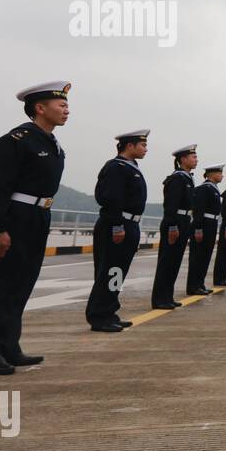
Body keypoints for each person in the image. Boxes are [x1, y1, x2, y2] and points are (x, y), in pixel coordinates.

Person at [0, 81, 71, 374]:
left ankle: (9, 347)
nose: (67, 109)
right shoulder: (15, 141)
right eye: (60, 104)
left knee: (21, 285)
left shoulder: (51, 143)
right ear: (40, 108)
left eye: (67, 105)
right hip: (14, 217)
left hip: (39, 217)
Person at [86, 128, 148, 332]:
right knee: (108, 271)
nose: (146, 149)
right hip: (117, 223)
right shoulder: (116, 167)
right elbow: (111, 199)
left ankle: (110, 311)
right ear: (129, 146)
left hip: (130, 224)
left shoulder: (131, 167)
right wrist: (117, 226)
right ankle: (99, 315)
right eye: (143, 145)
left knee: (117, 272)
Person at [151, 145, 197, 309]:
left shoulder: (186, 178)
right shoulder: (177, 178)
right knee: (167, 261)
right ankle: (159, 299)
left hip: (184, 220)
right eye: (193, 157)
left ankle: (167, 296)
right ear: (183, 159)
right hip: (175, 221)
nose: (196, 160)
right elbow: (170, 205)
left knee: (174, 262)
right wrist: (172, 227)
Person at [186, 160, 224, 296]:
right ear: (211, 174)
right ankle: (193, 286)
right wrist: (198, 229)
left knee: (205, 256)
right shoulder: (204, 188)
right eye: (219, 173)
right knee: (198, 256)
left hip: (212, 224)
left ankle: (200, 284)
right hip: (204, 224)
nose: (222, 176)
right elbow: (198, 211)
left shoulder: (213, 188)